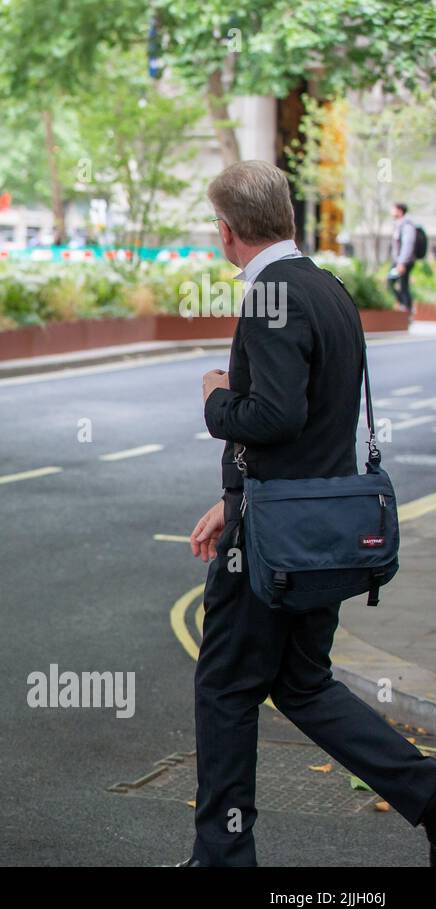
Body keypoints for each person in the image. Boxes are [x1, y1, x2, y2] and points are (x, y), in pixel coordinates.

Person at [183, 160, 436, 867]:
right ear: (288, 217)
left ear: (226, 231)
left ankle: (222, 858)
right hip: (317, 528)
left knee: (227, 688)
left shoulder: (271, 295)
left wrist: (215, 397)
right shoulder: (329, 288)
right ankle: (429, 794)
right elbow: (320, 423)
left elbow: (276, 416)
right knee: (301, 684)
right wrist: (231, 499)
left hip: (271, 543)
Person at [387, 202, 420, 316]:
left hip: (404, 262)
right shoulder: (398, 224)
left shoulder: (407, 225)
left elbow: (407, 245)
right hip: (399, 261)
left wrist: (401, 263)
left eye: (393, 209)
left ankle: (406, 309)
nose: (391, 211)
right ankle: (407, 308)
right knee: (401, 285)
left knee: (395, 283)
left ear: (400, 211)